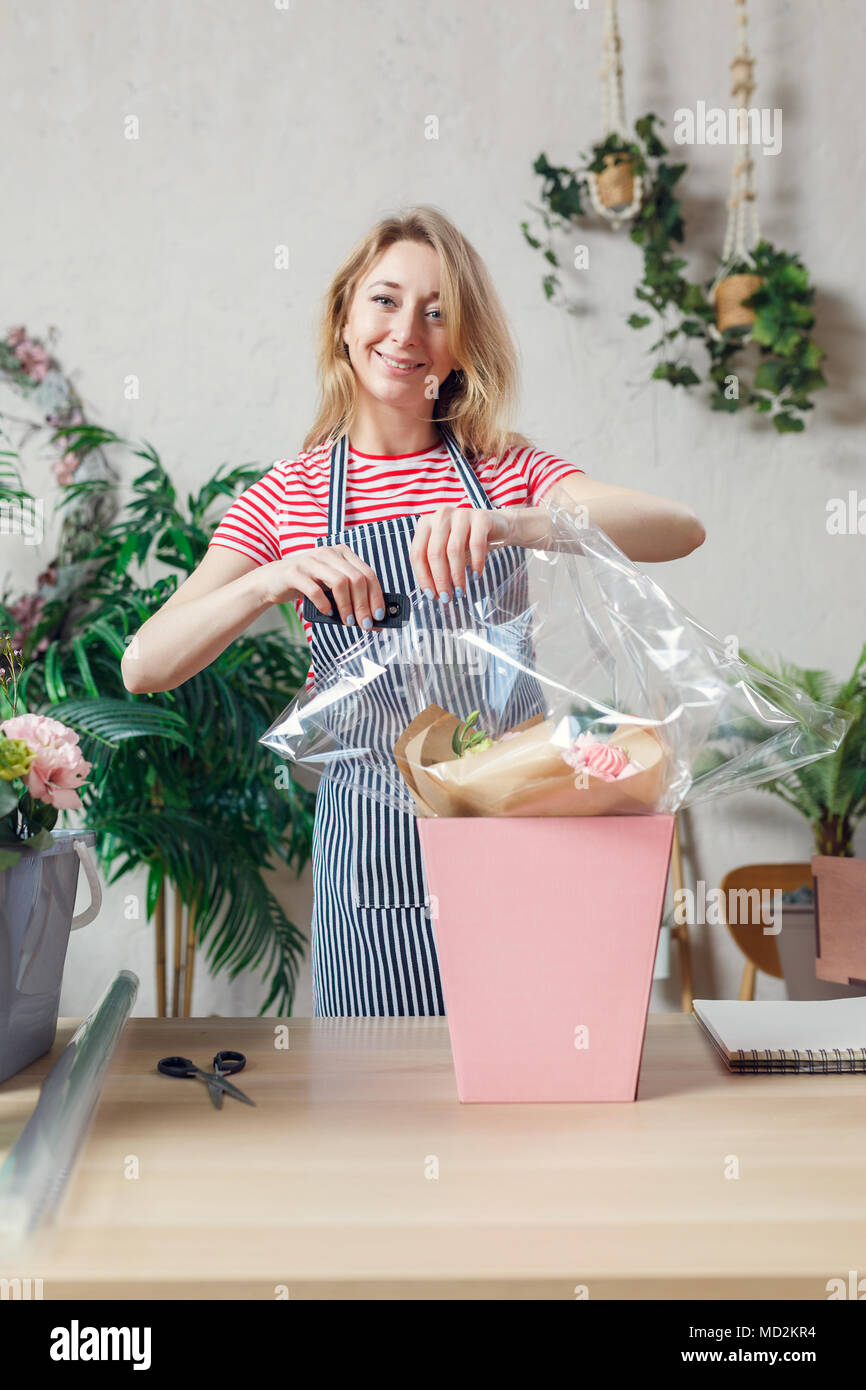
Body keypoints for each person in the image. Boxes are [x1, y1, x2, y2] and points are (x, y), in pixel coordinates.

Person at [122, 204, 705, 1018]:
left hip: (515, 813)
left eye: (439, 313)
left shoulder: (503, 470)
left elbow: (678, 528)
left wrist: (517, 523)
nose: (407, 331)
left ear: (463, 344)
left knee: (524, 1085)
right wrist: (266, 582)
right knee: (378, 1105)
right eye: (386, 301)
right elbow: (144, 663)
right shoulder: (286, 497)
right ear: (344, 320)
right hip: (371, 844)